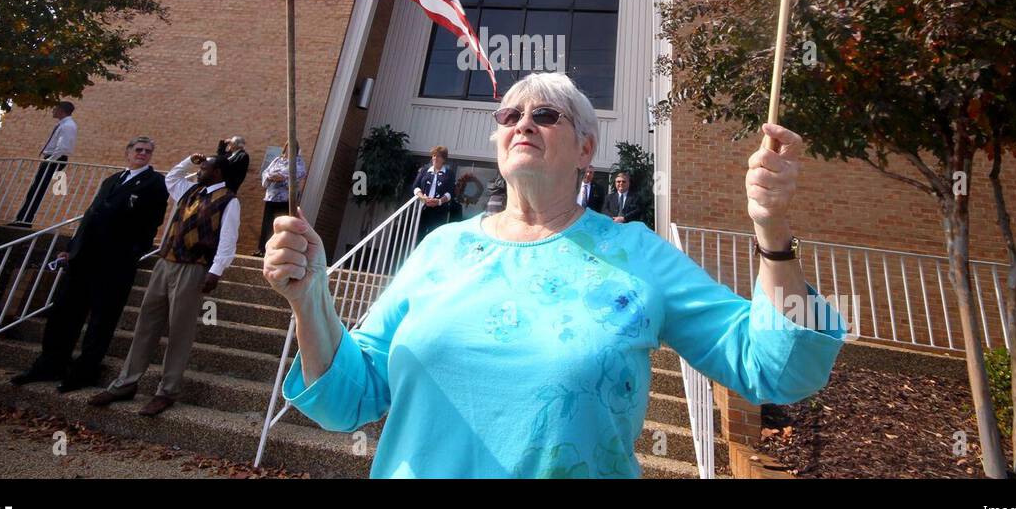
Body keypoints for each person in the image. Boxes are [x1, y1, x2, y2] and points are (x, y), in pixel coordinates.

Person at [264, 71, 847, 478]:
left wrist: (772, 234)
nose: (523, 124)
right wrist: (311, 300)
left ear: (586, 148)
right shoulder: (441, 249)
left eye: (546, 115)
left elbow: (778, 368)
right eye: (509, 115)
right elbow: (347, 400)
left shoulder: (634, 252)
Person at [88, 147, 240, 416]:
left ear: (217, 172)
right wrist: (189, 160)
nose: (200, 170)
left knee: (179, 331)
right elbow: (171, 177)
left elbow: (228, 240)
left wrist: (216, 271)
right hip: (165, 262)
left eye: (205, 168)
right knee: (147, 323)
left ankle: (167, 391)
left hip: (193, 268)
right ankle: (126, 382)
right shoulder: (190, 190)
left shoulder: (229, 200)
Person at [11, 137, 169, 391]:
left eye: (147, 151)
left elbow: (152, 222)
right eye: (138, 150)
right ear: (128, 152)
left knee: (101, 319)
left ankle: (84, 372)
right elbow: (90, 216)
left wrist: (132, 253)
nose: (142, 154)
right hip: (83, 258)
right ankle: (50, 364)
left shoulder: (155, 183)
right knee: (64, 313)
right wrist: (71, 249)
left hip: (115, 263)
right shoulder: (111, 181)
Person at [13, 101, 77, 227]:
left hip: (55, 159)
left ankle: (25, 220)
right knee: (36, 189)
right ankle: (23, 218)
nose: (53, 111)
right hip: (54, 158)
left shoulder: (68, 126)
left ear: (61, 110)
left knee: (37, 189)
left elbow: (62, 148)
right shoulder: (64, 124)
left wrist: (49, 160)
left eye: (55, 108)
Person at [257, 141, 307, 255]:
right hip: (271, 197)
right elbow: (267, 172)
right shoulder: (277, 160)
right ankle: (262, 249)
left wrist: (282, 176)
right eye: (288, 147)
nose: (290, 150)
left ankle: (274, 249)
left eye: (293, 148)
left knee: (280, 224)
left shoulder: (298, 161)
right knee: (267, 223)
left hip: (285, 199)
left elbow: (300, 173)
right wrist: (270, 176)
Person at [411, 146, 455, 240]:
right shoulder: (425, 171)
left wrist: (439, 201)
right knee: (419, 236)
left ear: (444, 159)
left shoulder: (449, 173)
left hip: (439, 211)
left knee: (435, 238)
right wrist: (422, 197)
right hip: (423, 209)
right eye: (434, 155)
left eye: (438, 156)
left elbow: (450, 192)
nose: (435, 158)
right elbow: (415, 187)